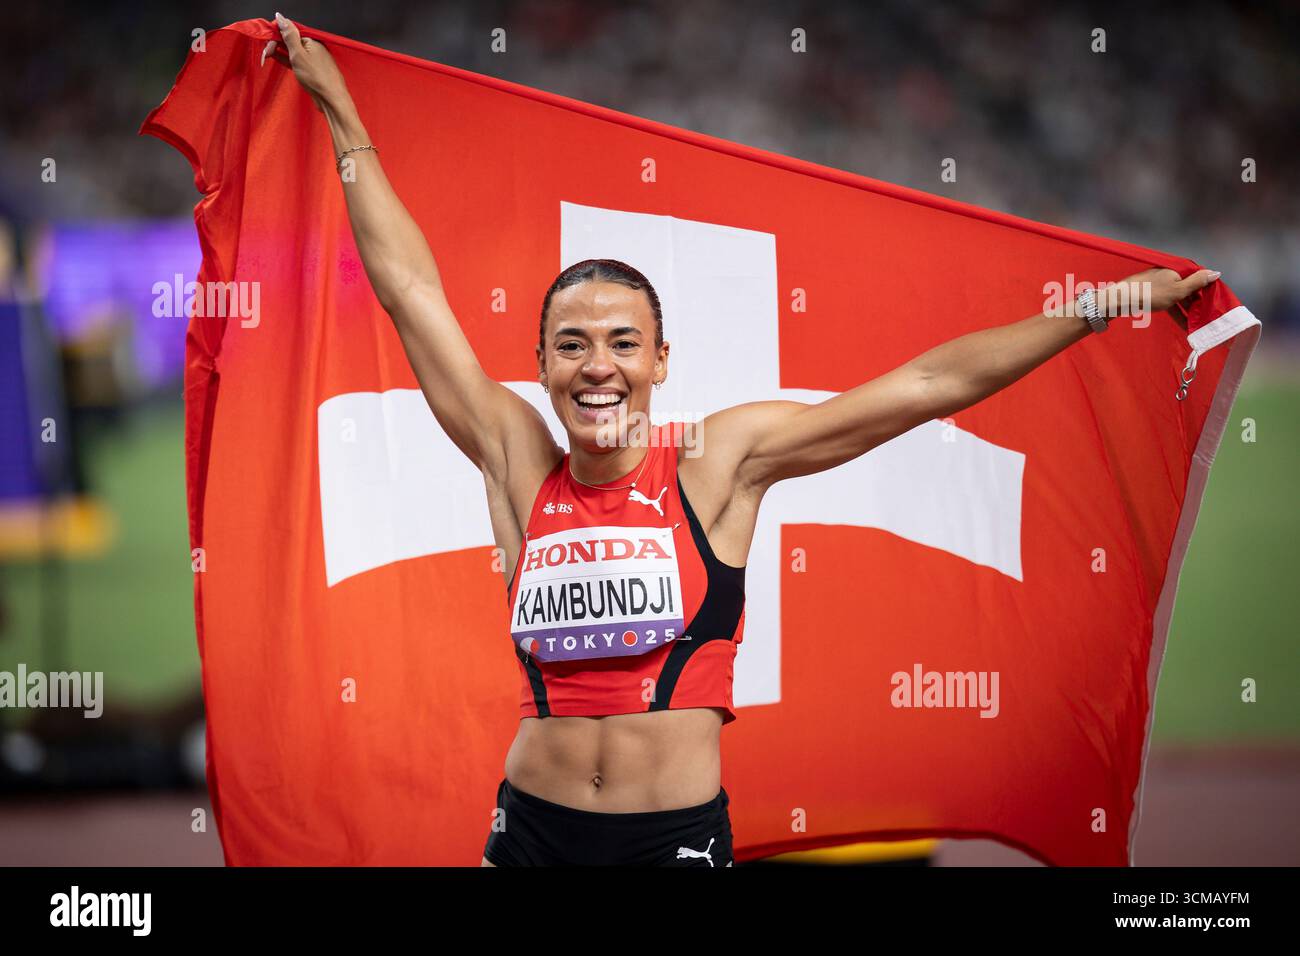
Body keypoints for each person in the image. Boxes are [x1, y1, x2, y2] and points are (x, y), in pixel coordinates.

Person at [265, 13, 1220, 866]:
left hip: (671, 840)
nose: (597, 365)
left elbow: (929, 385)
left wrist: (1099, 308)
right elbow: (412, 294)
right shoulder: (517, 459)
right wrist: (346, 121)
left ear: (661, 361)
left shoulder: (716, 463)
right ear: (544, 368)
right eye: (571, 345)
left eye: (622, 343)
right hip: (530, 832)